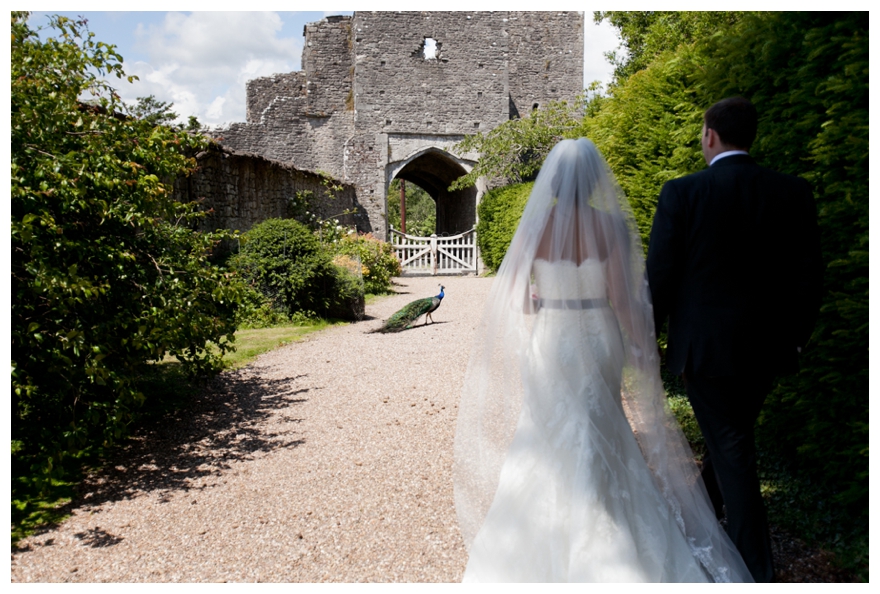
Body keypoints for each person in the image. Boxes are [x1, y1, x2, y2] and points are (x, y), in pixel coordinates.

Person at [453, 138, 753, 582]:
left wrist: (544, 302)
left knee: (544, 429)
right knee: (603, 425)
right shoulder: (610, 226)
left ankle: (538, 543)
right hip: (598, 336)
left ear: (552, 181)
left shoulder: (537, 225)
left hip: (552, 338)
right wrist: (643, 343)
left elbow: (514, 297)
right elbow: (623, 299)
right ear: (595, 182)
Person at [646, 97, 823, 582]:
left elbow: (659, 277)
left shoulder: (682, 193)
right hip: (770, 351)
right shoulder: (793, 191)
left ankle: (754, 571)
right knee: (731, 439)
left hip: (705, 353)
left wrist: (649, 341)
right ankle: (700, 523)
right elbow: (810, 277)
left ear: (709, 135)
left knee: (733, 449)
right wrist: (797, 340)